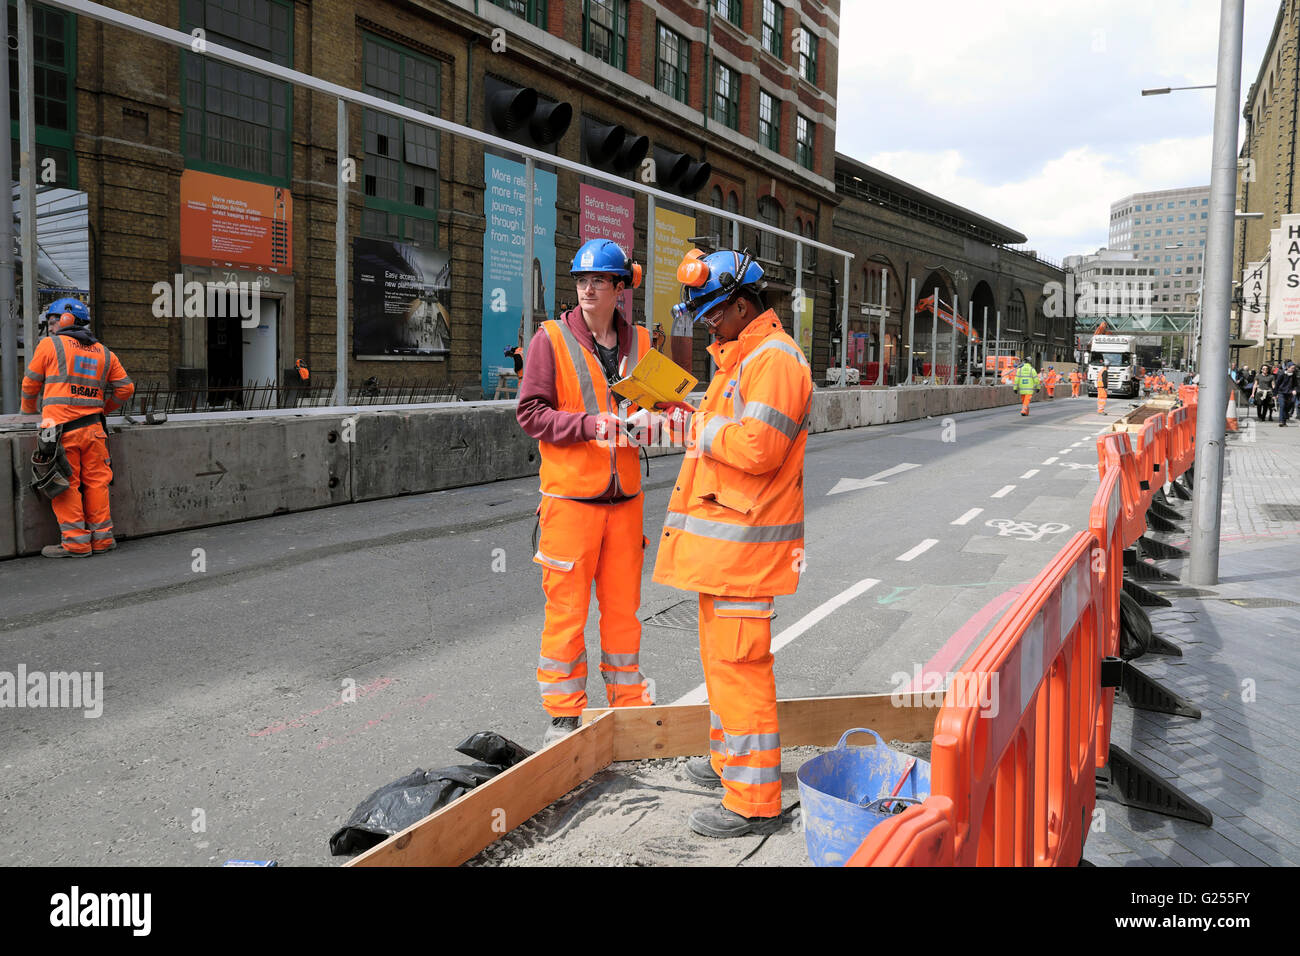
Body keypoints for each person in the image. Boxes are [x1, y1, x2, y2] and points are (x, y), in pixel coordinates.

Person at [654, 249, 812, 839]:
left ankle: (753, 800)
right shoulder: (743, 358)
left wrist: (698, 425)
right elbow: (730, 436)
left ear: (743, 306)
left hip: (746, 553)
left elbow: (758, 449)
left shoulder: (774, 361)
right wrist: (694, 416)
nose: (706, 325)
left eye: (713, 315)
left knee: (741, 670)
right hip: (724, 553)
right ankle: (728, 765)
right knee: (723, 665)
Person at [515, 238, 653, 747]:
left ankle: (629, 704)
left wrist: (654, 421)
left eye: (599, 280)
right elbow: (530, 413)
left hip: (625, 504)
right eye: (581, 280)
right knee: (566, 612)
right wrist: (591, 425)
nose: (588, 288)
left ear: (621, 288)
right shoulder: (549, 340)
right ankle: (564, 713)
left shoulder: (640, 342)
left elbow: (664, 404)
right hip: (571, 503)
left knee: (622, 611)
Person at [21, 298, 134, 557]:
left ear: (66, 320)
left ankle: (76, 543)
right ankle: (103, 539)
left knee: (65, 482)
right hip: (94, 429)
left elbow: (30, 385)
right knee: (97, 482)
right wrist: (103, 409)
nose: (50, 328)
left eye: (52, 321)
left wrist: (28, 411)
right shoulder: (105, 352)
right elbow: (126, 389)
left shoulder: (50, 345)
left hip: (57, 430)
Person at [1276, 361, 1297, 427]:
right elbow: (1277, 384)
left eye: (1294, 368)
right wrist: (1274, 394)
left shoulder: (1293, 375)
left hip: (1289, 393)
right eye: (1292, 368)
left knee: (1287, 406)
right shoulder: (1282, 374)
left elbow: (1295, 384)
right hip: (1281, 392)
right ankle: (1281, 421)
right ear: (1287, 367)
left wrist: (1294, 390)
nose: (1293, 370)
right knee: (1282, 405)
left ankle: (1284, 421)